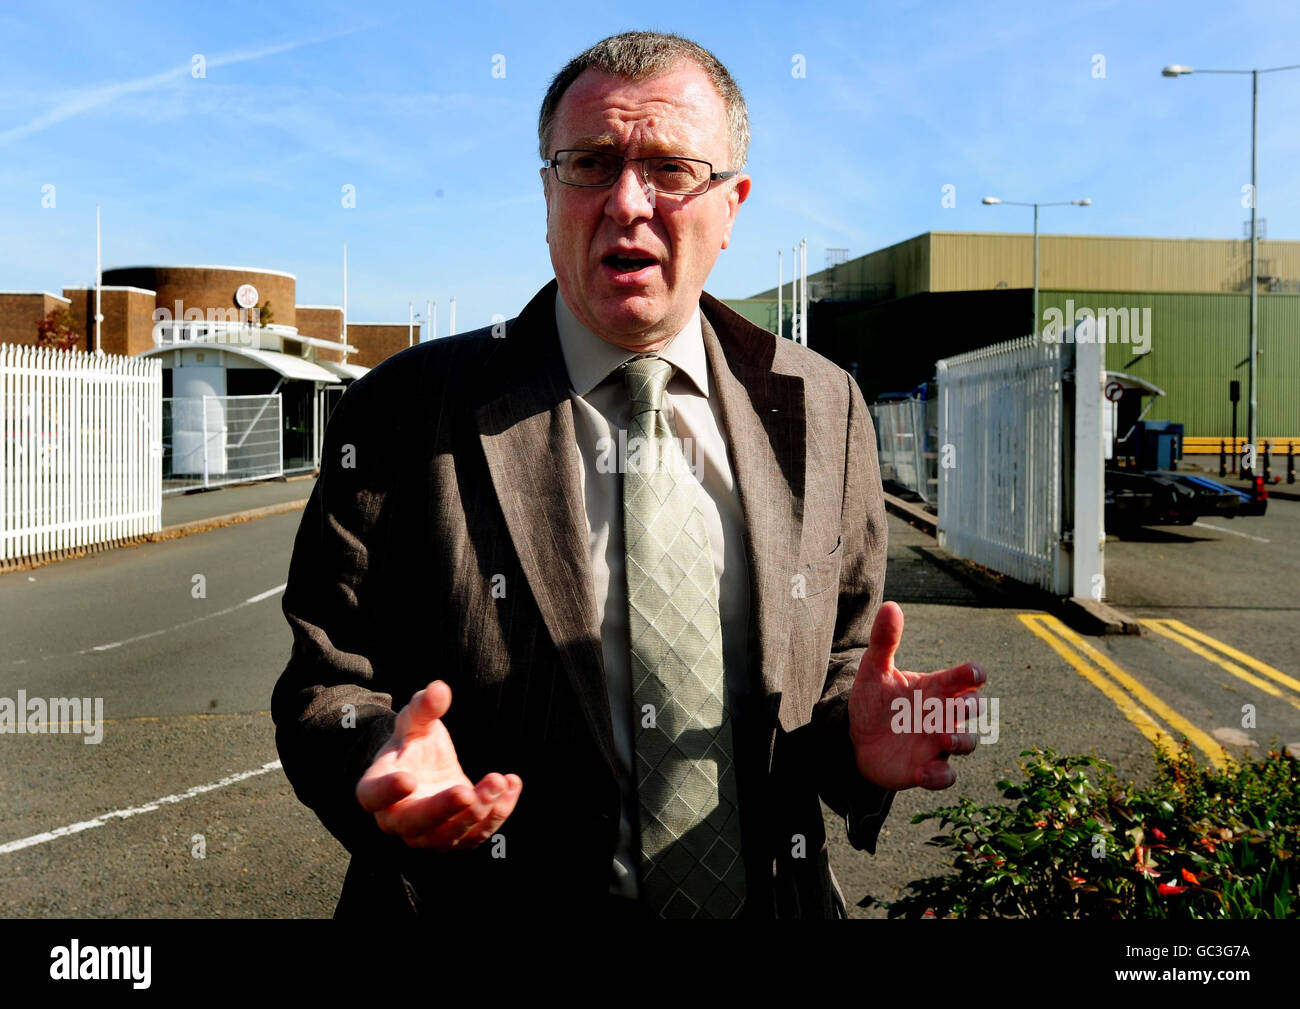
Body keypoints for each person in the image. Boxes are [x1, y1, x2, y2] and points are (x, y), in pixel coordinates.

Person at [272, 30, 986, 919]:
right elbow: (323, 679)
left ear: (732, 206)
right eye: (591, 163)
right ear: (546, 194)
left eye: (672, 169)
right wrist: (379, 752)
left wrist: (854, 739)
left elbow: (833, 662)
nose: (626, 201)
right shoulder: (403, 410)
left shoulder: (823, 404)